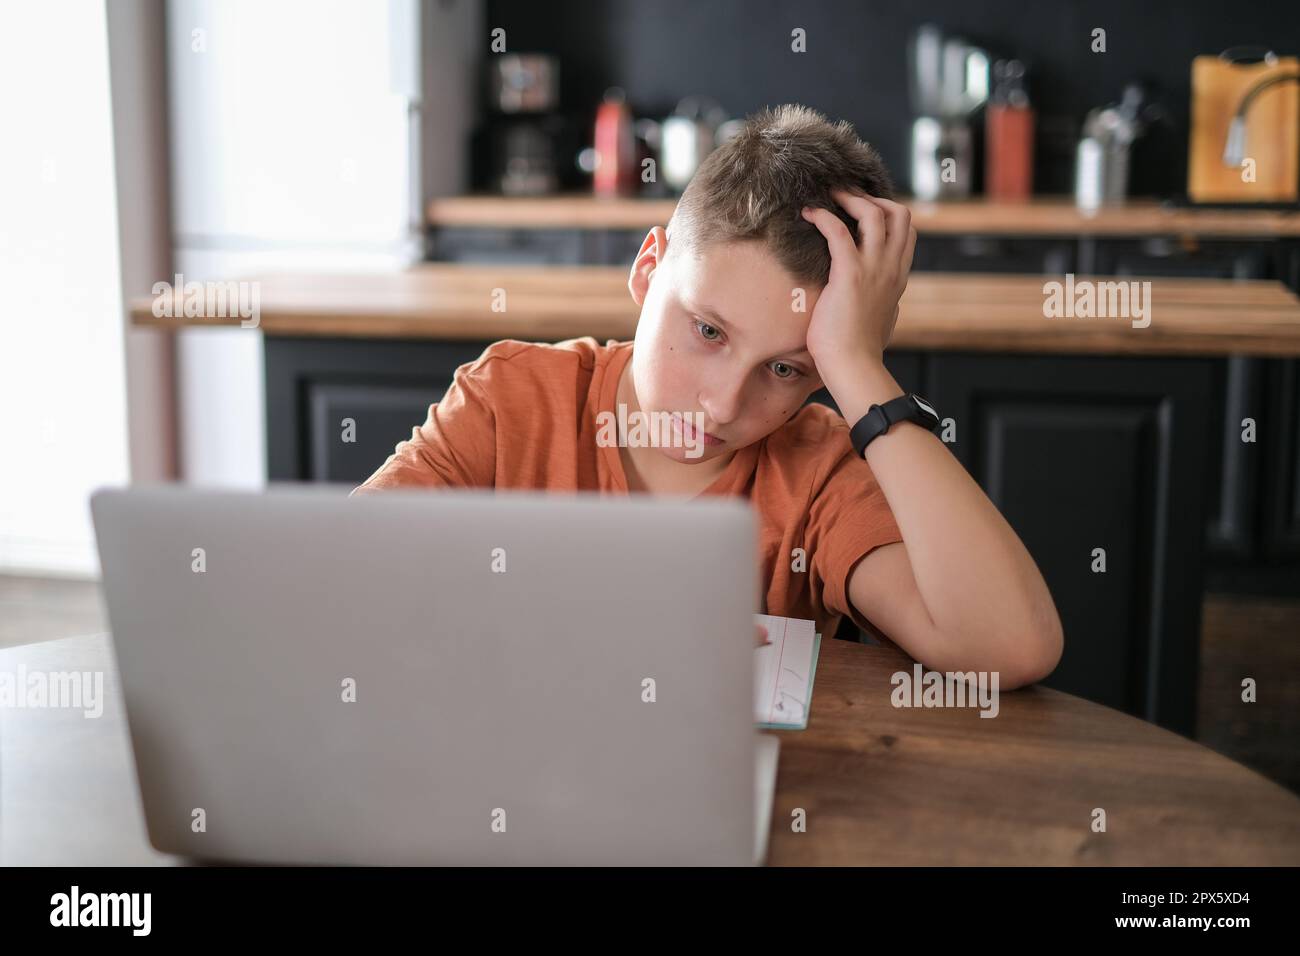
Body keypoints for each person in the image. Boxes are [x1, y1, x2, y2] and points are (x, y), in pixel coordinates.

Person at [354, 104, 1063, 687]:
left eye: (786, 370)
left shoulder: (819, 474)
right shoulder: (511, 400)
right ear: (647, 268)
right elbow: (347, 577)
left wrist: (859, 368)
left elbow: (1009, 647)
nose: (724, 406)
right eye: (708, 331)